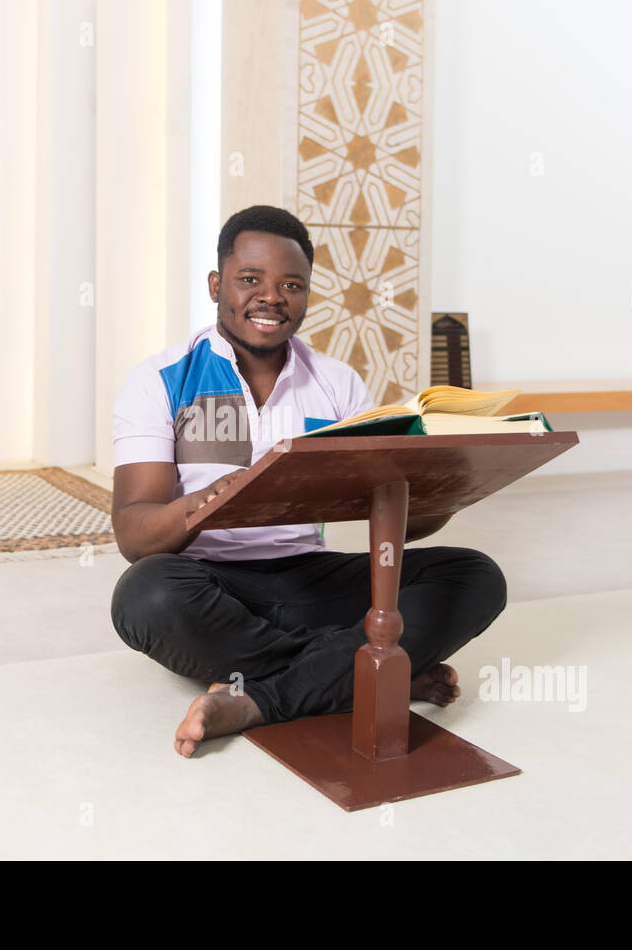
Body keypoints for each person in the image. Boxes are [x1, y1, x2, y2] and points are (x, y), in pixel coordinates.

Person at [109, 205, 507, 757]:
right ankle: (366, 671)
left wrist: (447, 490)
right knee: (144, 595)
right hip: (210, 586)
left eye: (291, 285)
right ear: (216, 285)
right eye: (250, 279)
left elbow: (387, 522)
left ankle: (264, 698)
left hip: (313, 582)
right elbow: (134, 533)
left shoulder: (339, 385)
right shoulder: (159, 380)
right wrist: (202, 504)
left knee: (474, 575)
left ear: (306, 296)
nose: (271, 297)